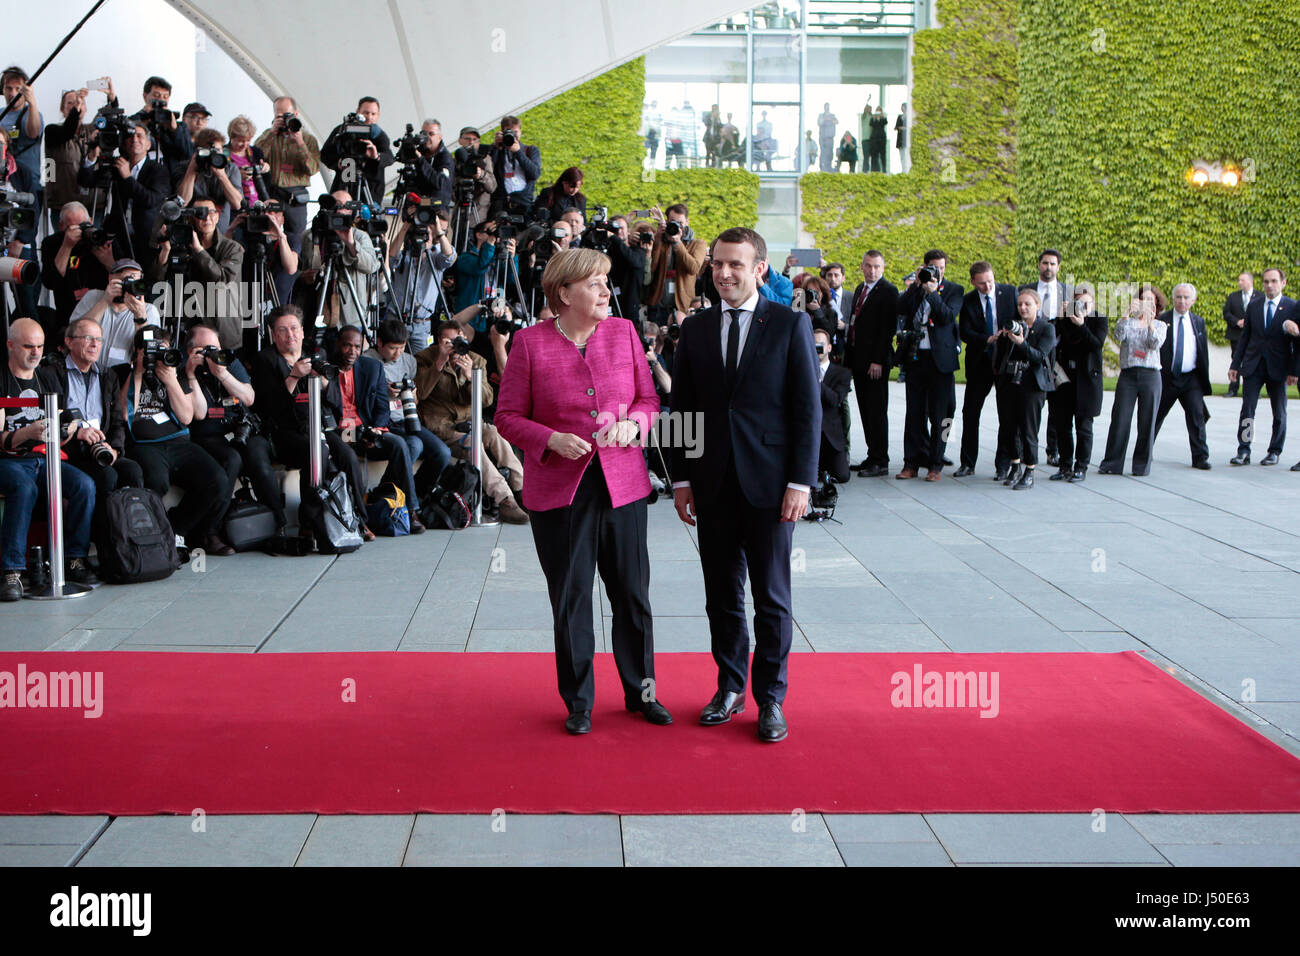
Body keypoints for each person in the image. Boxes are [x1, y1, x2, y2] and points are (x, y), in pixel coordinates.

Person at [494, 249, 666, 734]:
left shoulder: (624, 332)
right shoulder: (529, 344)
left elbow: (648, 399)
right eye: (595, 283)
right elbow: (506, 417)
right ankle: (579, 702)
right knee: (571, 596)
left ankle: (642, 693)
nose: (606, 291)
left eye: (606, 281)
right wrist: (548, 438)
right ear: (564, 293)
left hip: (623, 483)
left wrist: (634, 425)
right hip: (560, 491)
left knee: (632, 594)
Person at [671, 227, 820, 743]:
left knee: (772, 598)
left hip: (772, 486)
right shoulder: (694, 330)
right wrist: (682, 478)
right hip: (712, 485)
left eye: (736, 264)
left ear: (760, 269)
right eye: (717, 264)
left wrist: (801, 482)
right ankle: (730, 687)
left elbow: (807, 410)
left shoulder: (789, 324)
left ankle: (771, 698)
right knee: (721, 595)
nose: (724, 274)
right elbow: (683, 408)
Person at [251, 305, 373, 539]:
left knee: (348, 458)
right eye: (283, 330)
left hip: (318, 427)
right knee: (315, 454)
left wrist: (324, 382)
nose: (290, 335)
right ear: (274, 334)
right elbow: (269, 407)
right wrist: (294, 376)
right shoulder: (265, 360)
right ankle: (310, 522)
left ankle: (358, 519)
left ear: (303, 331)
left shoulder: (316, 355)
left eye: (294, 329)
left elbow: (337, 401)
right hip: (285, 433)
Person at [0, 318, 100, 601]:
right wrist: (26, 434)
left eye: (40, 346)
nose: (35, 352)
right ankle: (12, 572)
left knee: (84, 485)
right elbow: (1, 438)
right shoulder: (2, 378)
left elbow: (62, 425)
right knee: (24, 487)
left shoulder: (48, 376)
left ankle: (74, 558)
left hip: (46, 457)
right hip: (9, 460)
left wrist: (67, 430)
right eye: (28, 346)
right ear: (10, 345)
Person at [122, 325, 235, 554]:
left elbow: (186, 416)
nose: (157, 355)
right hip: (144, 444)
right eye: (151, 350)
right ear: (137, 351)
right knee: (156, 481)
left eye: (161, 349)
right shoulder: (121, 372)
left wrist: (171, 380)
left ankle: (176, 529)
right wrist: (139, 371)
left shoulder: (174, 371)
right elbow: (125, 415)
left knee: (217, 480)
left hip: (178, 441)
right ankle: (153, 539)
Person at [413, 321, 529, 524]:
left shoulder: (476, 360)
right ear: (439, 341)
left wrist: (470, 377)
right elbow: (420, 393)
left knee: (494, 434)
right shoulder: (424, 358)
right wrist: (439, 362)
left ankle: (522, 491)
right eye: (448, 342)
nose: (453, 347)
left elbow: (487, 399)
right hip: (441, 427)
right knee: (473, 443)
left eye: (458, 341)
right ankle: (505, 500)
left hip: (469, 422)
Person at [182, 323, 288, 537]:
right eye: (206, 350)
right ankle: (211, 531)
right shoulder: (183, 370)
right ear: (191, 352)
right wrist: (191, 373)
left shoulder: (228, 363)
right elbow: (197, 414)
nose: (213, 354)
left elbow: (249, 398)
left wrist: (222, 374)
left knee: (259, 461)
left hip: (242, 428)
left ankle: (278, 525)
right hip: (207, 434)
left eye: (216, 348)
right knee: (231, 460)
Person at [334, 324, 439, 531]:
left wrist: (376, 429)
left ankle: (412, 510)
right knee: (349, 451)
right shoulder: (327, 368)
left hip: (367, 428)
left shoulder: (371, 367)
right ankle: (362, 517)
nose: (352, 351)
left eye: (356, 346)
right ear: (338, 346)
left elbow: (382, 407)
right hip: (340, 431)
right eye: (347, 346)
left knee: (401, 444)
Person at [55, 317, 144, 505]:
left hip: (101, 447)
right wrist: (77, 432)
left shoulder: (108, 375)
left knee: (133, 470)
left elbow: (118, 421)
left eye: (99, 340)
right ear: (69, 341)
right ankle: (101, 533)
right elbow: (49, 418)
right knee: (107, 476)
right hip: (71, 449)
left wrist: (115, 450)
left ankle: (129, 531)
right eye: (88, 338)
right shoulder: (54, 373)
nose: (95, 344)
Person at [149, 197, 245, 348]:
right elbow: (157, 280)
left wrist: (198, 250)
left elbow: (222, 279)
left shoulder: (232, 248)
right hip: (188, 322)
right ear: (191, 218)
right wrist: (165, 250)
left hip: (221, 326)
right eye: (200, 214)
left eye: (211, 212)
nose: (206, 217)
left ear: (218, 216)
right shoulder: (180, 243)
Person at [1229, 268, 1298, 466]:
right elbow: (1245, 337)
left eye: (1274, 281)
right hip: (1253, 366)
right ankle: (1244, 450)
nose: (1269, 285)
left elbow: (1296, 343)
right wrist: (1236, 364)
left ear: (1283, 283)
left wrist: (1294, 370)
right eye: (1266, 281)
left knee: (1279, 412)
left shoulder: (1292, 307)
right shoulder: (1254, 306)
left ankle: (1274, 451)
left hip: (1279, 368)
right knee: (1247, 410)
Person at [895, 266, 959, 481]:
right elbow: (900, 307)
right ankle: (911, 462)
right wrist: (916, 286)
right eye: (930, 268)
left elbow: (947, 317)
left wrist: (932, 293)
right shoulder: (916, 289)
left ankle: (936, 463)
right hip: (916, 358)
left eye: (939, 267)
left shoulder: (953, 290)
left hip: (940, 361)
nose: (934, 272)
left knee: (941, 415)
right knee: (914, 412)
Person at [954, 261, 1017, 478]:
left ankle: (1003, 465)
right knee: (970, 413)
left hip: (1005, 361)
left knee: (1007, 414)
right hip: (979, 362)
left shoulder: (1009, 292)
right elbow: (964, 332)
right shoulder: (967, 301)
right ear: (972, 281)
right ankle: (967, 463)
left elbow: (1020, 320)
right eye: (981, 284)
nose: (987, 287)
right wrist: (986, 339)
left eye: (990, 281)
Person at [77, 120, 170, 260]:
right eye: (130, 136)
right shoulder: (117, 166)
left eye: (140, 136)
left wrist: (127, 177)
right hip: (118, 234)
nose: (134, 139)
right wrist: (91, 157)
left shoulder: (158, 170)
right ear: (124, 144)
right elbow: (86, 181)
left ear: (148, 144)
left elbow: (150, 200)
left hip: (147, 235)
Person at [1100, 284, 1167, 476]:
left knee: (1147, 421)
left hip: (1150, 375)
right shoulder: (1128, 323)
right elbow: (1119, 335)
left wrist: (1150, 321)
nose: (1145, 303)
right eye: (1142, 299)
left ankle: (1141, 465)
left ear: (1156, 304)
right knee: (1120, 418)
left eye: (1150, 300)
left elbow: (1154, 344)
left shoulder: (1161, 326)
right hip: (1129, 375)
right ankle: (1112, 463)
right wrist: (1126, 313)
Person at [844, 249, 899, 477]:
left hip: (875, 362)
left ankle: (880, 460)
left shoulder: (888, 291)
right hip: (859, 359)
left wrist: (877, 360)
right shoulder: (860, 289)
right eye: (868, 265)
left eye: (877, 266)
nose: (872, 270)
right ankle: (871, 454)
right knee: (865, 410)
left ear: (883, 268)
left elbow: (887, 330)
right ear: (862, 266)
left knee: (877, 410)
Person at [996, 289, 1057, 489]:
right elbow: (1002, 355)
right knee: (1008, 428)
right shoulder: (1013, 326)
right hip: (1010, 382)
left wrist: (1021, 343)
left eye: (1027, 304)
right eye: (1020, 304)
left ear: (1037, 306)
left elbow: (1040, 356)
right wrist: (1005, 338)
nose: (1023, 308)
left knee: (1029, 430)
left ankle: (1029, 469)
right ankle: (1015, 466)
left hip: (1033, 386)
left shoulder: (1045, 328)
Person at [1050, 283, 1108, 482]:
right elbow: (1054, 338)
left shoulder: (1099, 319)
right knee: (1062, 425)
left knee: (1084, 426)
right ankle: (1065, 465)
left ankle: (1081, 466)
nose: (1081, 307)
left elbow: (1096, 344)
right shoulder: (1065, 318)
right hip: (1065, 378)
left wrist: (1081, 324)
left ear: (1092, 303)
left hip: (1087, 380)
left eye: (1085, 303)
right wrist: (1060, 317)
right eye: (1077, 302)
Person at [1154, 284, 1213, 470]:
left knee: (1197, 416)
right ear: (1173, 299)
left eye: (1186, 297)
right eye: (1179, 297)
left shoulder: (1198, 321)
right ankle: (1144, 452)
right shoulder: (1162, 320)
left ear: (1193, 300)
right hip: (1167, 378)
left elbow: (1201, 351)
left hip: (1191, 379)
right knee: (1155, 415)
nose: (1182, 301)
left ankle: (1200, 457)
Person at [68, 259, 161, 372]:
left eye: (135, 281)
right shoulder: (93, 297)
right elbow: (74, 333)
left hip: (124, 375)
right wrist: (105, 301)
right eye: (125, 280)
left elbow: (148, 351)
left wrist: (140, 318)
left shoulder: (149, 310)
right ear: (111, 278)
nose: (129, 285)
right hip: (88, 370)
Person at [254, 96, 321, 244]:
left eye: (287, 115)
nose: (284, 120)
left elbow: (313, 169)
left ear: (296, 114)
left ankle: (294, 265)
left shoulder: (308, 139)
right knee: (266, 235)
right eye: (279, 116)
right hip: (272, 193)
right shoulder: (269, 135)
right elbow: (255, 155)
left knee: (296, 238)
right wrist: (272, 132)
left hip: (295, 197)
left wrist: (299, 142)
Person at [39, 202, 114, 327]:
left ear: (91, 221)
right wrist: (66, 246)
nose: (81, 232)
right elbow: (51, 282)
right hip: (67, 311)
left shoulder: (101, 240)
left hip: (103, 309)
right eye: (74, 228)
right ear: (61, 226)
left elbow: (123, 278)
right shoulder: (52, 243)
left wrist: (107, 261)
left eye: (84, 225)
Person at [320, 96, 393, 205]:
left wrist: (376, 156)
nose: (369, 117)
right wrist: (338, 163)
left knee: (367, 217)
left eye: (373, 114)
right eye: (366, 113)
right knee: (342, 212)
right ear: (358, 111)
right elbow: (325, 154)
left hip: (371, 187)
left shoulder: (378, 135)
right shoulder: (343, 130)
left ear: (378, 115)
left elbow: (390, 157)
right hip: (346, 178)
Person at [645, 204, 708, 326]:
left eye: (681, 222)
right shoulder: (661, 242)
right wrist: (658, 239)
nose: (677, 226)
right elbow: (651, 267)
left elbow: (693, 268)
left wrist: (677, 243)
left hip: (683, 306)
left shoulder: (698, 244)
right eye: (673, 222)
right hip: (659, 304)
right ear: (667, 221)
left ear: (687, 222)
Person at [814, 328, 852, 483]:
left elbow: (835, 400)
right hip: (809, 433)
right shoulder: (800, 370)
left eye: (821, 345)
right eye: (813, 344)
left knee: (842, 476)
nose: (818, 348)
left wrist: (816, 380)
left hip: (830, 436)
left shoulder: (842, 374)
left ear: (829, 347)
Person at [490, 115, 541, 211]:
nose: (513, 135)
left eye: (515, 132)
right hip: (501, 202)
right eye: (509, 132)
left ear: (520, 132)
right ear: (502, 132)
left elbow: (535, 174)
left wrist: (518, 152)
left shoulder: (530, 150)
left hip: (524, 202)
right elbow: (490, 170)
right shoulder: (498, 150)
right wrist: (496, 147)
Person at [1223, 272, 1255, 398]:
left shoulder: (1259, 296)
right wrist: (1237, 321)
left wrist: (1249, 322)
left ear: (1250, 282)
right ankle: (1233, 389)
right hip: (1236, 335)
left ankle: (1251, 390)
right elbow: (1226, 313)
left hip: (1253, 336)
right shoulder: (1233, 296)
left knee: (1252, 362)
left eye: (1242, 280)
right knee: (1235, 361)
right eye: (1239, 280)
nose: (1239, 282)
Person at [867, 105, 888, 172]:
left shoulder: (883, 118)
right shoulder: (873, 118)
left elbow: (885, 122)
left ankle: (884, 169)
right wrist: (874, 118)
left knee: (883, 154)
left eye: (879, 111)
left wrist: (881, 117)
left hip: (882, 138)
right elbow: (871, 124)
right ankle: (874, 170)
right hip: (874, 138)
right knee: (874, 155)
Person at [817, 103, 837, 172]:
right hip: (823, 137)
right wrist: (825, 118)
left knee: (830, 153)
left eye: (828, 106)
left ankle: (829, 168)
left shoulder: (832, 116)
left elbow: (836, 122)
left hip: (830, 137)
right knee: (823, 153)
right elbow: (819, 122)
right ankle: (822, 168)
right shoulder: (821, 115)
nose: (827, 108)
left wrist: (830, 119)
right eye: (826, 106)